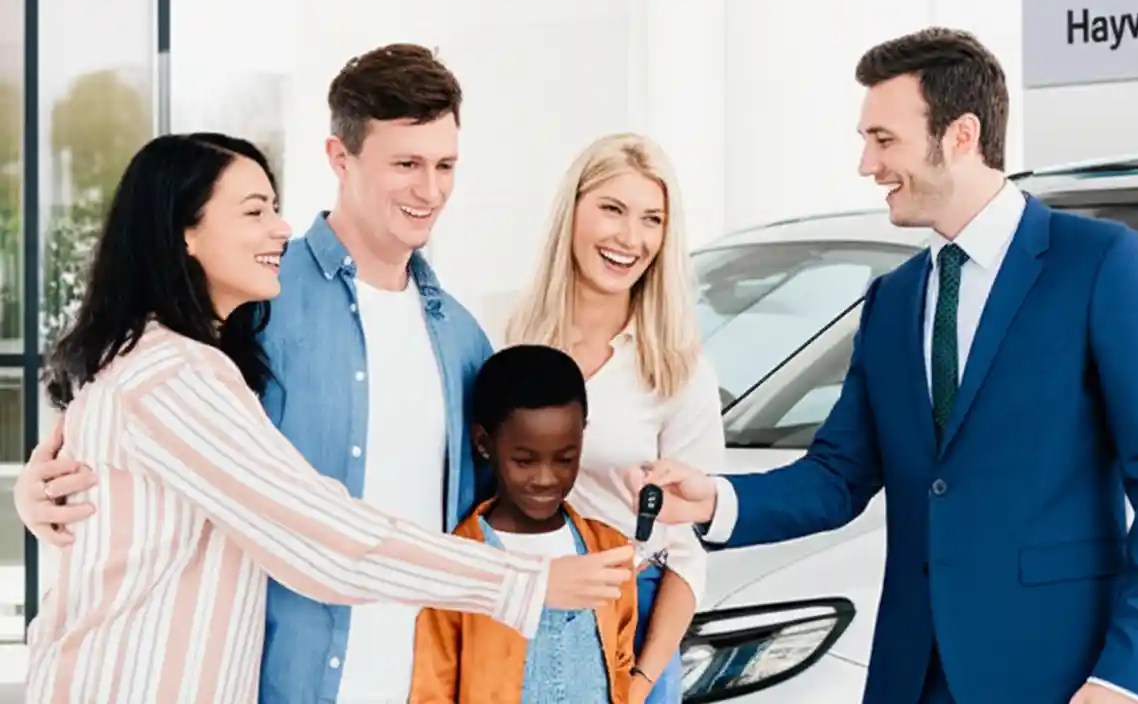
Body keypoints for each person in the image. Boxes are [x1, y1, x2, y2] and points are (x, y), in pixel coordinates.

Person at [14, 44, 632, 703]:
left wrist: (637, 498)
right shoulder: (250, 310)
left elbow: (508, 489)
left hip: (413, 679)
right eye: (406, 164)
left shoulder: (460, 337)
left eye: (445, 165)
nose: (430, 190)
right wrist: (46, 487)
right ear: (340, 157)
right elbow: (300, 525)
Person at [628, 28, 1138, 704]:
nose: (867, 165)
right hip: (911, 672)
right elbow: (839, 474)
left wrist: (1127, 677)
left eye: (884, 140)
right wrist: (716, 499)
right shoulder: (893, 300)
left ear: (961, 135)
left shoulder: (1100, 264)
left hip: (1058, 673)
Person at [503, 132, 724, 703]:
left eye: (652, 219)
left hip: (629, 629)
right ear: (572, 210)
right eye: (612, 209)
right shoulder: (503, 336)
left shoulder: (676, 368)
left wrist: (641, 681)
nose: (631, 238)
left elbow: (686, 554)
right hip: (515, 613)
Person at [411, 344, 639, 703]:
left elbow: (620, 664)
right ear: (484, 443)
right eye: (524, 461)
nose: (545, 479)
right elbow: (432, 689)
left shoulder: (610, 551)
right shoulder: (458, 564)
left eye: (565, 459)